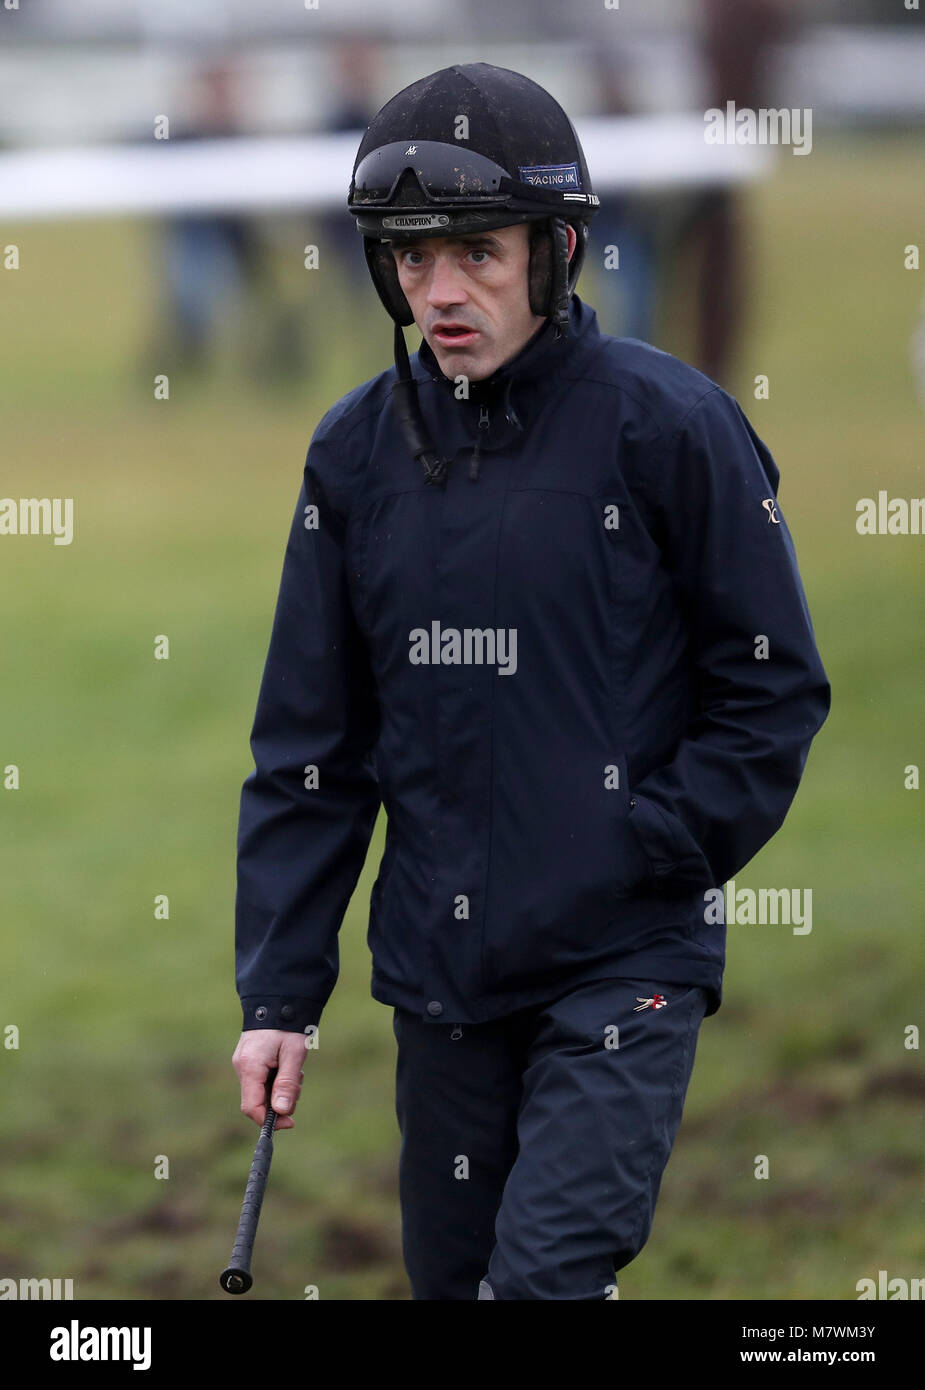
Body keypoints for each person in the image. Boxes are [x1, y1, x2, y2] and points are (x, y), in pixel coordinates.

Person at [231, 62, 830, 1301]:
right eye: (408, 257)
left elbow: (771, 686)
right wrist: (280, 995)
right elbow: (310, 748)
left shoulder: (673, 427)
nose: (440, 290)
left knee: (544, 1283)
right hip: (437, 987)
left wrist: (648, 845)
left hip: (624, 959)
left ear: (556, 251)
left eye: (476, 254)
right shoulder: (351, 455)